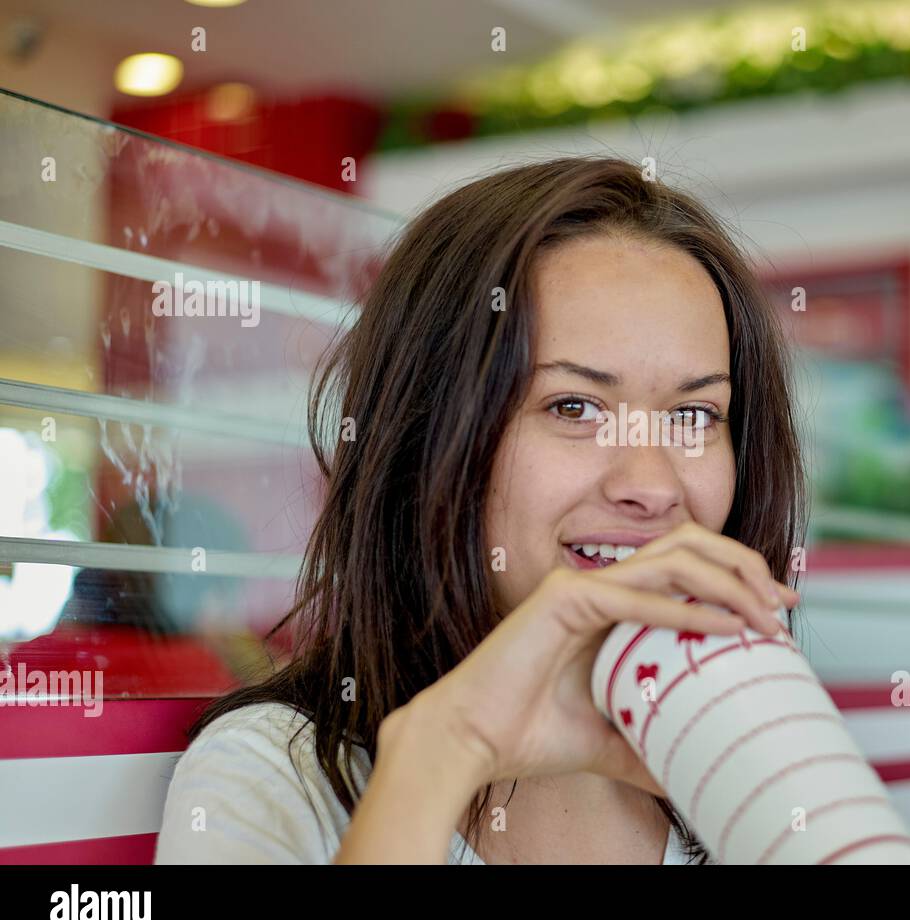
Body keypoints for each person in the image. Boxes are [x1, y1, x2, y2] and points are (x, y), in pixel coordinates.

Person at [155, 156, 826, 864]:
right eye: (574, 407)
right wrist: (440, 754)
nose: (652, 485)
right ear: (426, 435)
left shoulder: (736, 774)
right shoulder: (275, 777)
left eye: (694, 415)